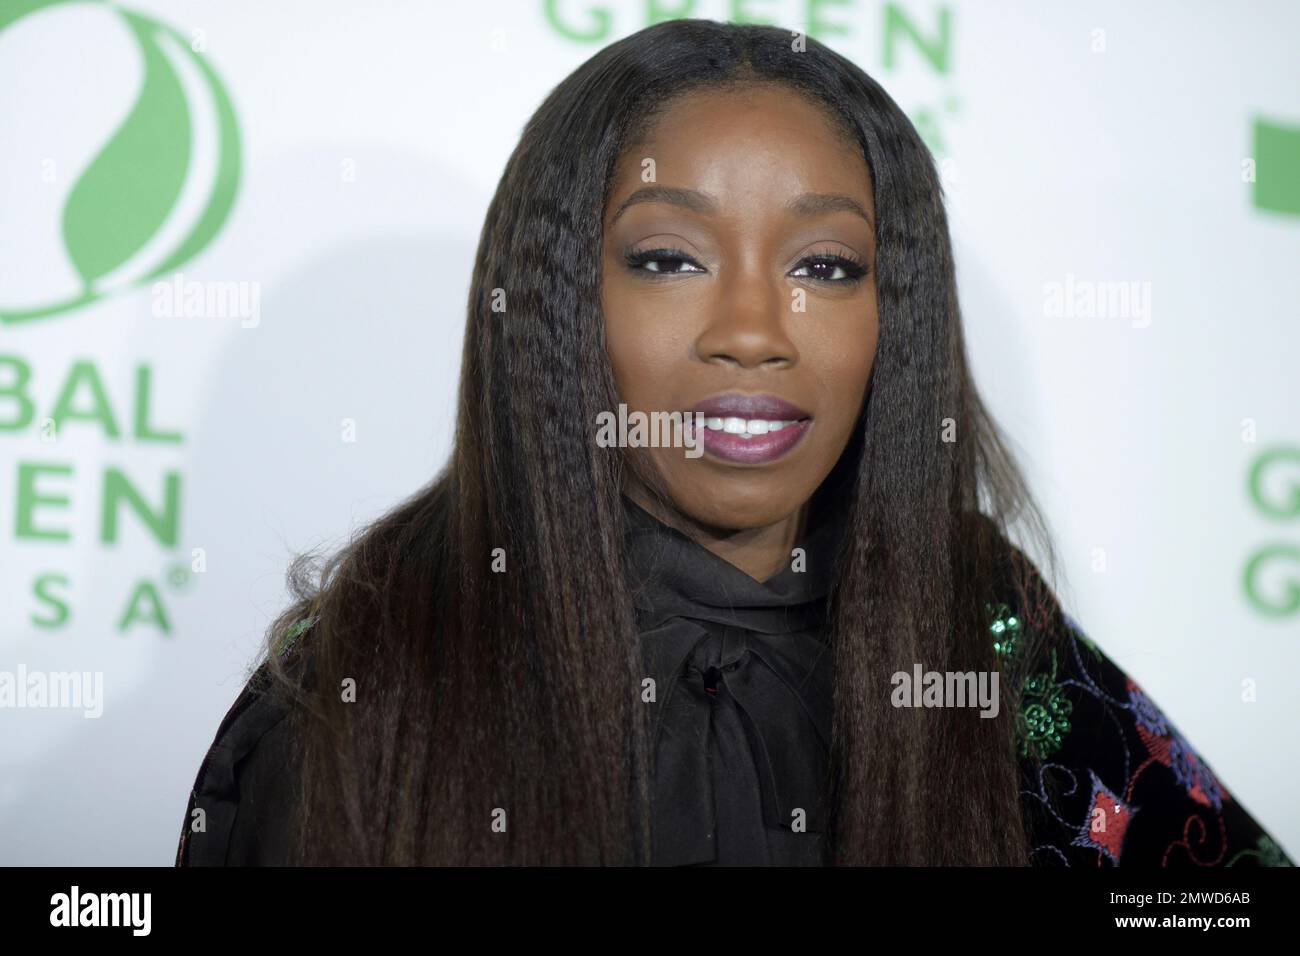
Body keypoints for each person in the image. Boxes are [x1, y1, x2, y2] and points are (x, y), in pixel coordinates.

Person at [175, 18, 1292, 867]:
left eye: (825, 267)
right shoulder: (377, 672)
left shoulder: (987, 638)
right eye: (668, 258)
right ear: (558, 299)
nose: (756, 331)